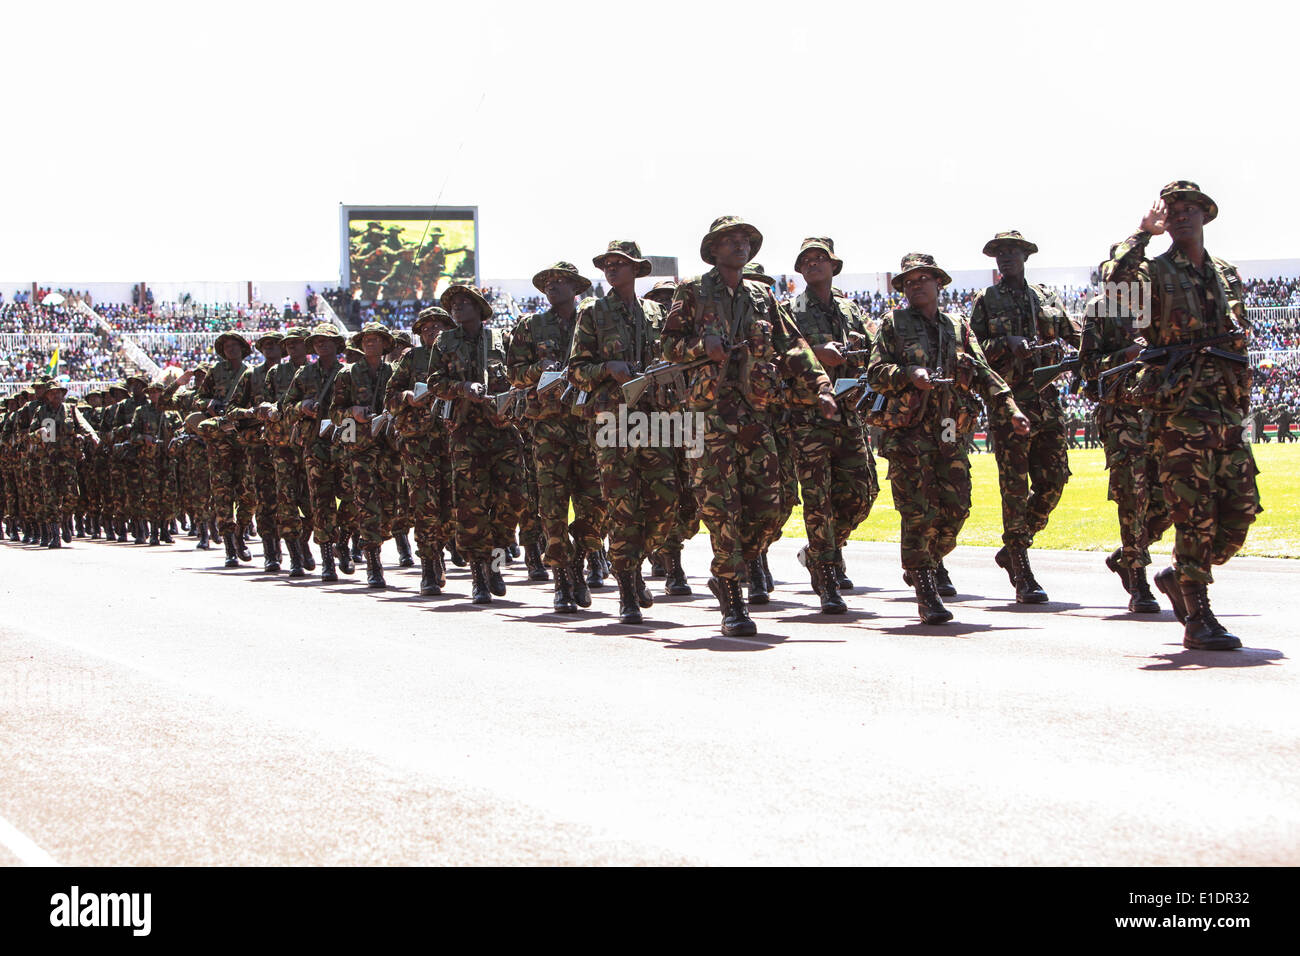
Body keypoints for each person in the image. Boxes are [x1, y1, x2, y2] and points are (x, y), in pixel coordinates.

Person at [662, 216, 837, 636]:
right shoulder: (692, 292)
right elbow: (667, 347)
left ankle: (739, 563)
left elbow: (793, 344)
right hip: (708, 417)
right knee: (722, 508)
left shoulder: (762, 295)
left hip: (756, 414)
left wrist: (820, 385)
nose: (740, 246)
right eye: (731, 240)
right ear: (714, 249)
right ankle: (732, 597)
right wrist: (700, 346)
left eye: (745, 240)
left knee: (771, 507)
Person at [1104, 180, 1260, 650]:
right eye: (1173, 210)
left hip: (1226, 410)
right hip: (1178, 412)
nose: (1182, 215)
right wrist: (1140, 234)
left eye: (1191, 208)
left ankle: (1179, 576)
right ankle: (1197, 614)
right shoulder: (1152, 271)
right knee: (1194, 514)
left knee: (1240, 511)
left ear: (1205, 215)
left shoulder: (1226, 272)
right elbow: (1112, 284)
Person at [867, 253, 1031, 624]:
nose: (917, 285)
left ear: (938, 283)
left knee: (956, 508)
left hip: (948, 429)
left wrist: (1010, 408)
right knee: (917, 512)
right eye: (910, 281)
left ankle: (926, 560)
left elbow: (984, 371)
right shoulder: (892, 324)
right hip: (907, 433)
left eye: (924, 279)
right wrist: (910, 373)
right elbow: (876, 373)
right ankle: (926, 588)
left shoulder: (956, 327)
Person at [568, 242, 679, 623]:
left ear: (636, 270)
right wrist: (607, 369)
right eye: (608, 265)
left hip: (655, 420)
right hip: (611, 420)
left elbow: (672, 356)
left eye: (620, 264)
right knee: (621, 507)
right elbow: (576, 370)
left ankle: (632, 561)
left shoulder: (656, 312)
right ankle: (627, 587)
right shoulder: (593, 313)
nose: (612, 270)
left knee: (666, 501)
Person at [969, 231, 1080, 603]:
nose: (1006, 259)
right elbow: (972, 353)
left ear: (1025, 256)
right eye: (1000, 254)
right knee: (1014, 489)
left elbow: (1073, 333)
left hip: (1047, 403)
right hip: (1009, 406)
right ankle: (1020, 565)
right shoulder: (986, 301)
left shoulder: (1046, 297)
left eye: (1012, 252)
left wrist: (1104, 346)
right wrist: (1005, 344)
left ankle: (1015, 546)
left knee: (1053, 484)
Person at [786, 237, 879, 612]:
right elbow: (780, 356)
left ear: (833, 265)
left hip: (849, 414)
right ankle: (826, 576)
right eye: (806, 260)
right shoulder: (790, 311)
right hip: (808, 419)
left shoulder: (851, 310)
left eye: (819, 258)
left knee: (862, 492)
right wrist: (816, 354)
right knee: (818, 501)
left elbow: (876, 353)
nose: (812, 264)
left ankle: (817, 551)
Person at [507, 262, 606, 612]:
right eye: (547, 283)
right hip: (548, 430)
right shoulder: (531, 327)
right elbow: (514, 375)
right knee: (551, 508)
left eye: (560, 282)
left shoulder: (594, 321)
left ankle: (580, 561)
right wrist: (539, 370)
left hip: (589, 425)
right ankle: (562, 578)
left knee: (595, 504)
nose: (552, 287)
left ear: (575, 287)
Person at [1078, 250, 1171, 612]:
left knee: (1165, 501)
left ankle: (1128, 554)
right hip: (1121, 416)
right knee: (1133, 498)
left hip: (1158, 413)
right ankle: (1138, 582)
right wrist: (1130, 353)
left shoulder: (1157, 303)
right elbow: (1088, 368)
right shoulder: (1099, 310)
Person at [428, 285, 526, 604]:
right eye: (453, 304)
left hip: (502, 430)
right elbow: (434, 383)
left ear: (479, 308)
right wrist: (461, 387)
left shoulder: (501, 340)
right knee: (471, 504)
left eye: (463, 303)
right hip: (466, 432)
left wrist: (510, 394)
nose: (456, 308)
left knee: (511, 499)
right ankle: (480, 575)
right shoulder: (445, 341)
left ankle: (495, 563)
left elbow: (518, 376)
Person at [386, 307, 456, 595]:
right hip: (417, 444)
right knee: (424, 505)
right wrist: (407, 397)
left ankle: (442, 548)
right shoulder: (411, 359)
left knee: (451, 503)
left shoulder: (456, 355)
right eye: (426, 327)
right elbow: (389, 398)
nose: (432, 330)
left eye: (437, 325)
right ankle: (428, 564)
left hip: (452, 439)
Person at [332, 322, 397, 588]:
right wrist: (352, 412)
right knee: (366, 503)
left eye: (376, 340)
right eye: (367, 340)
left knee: (391, 506)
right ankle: (373, 562)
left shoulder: (393, 372)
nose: (371, 343)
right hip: (360, 449)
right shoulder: (347, 374)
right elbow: (335, 413)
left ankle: (363, 539)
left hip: (389, 448)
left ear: (384, 344)